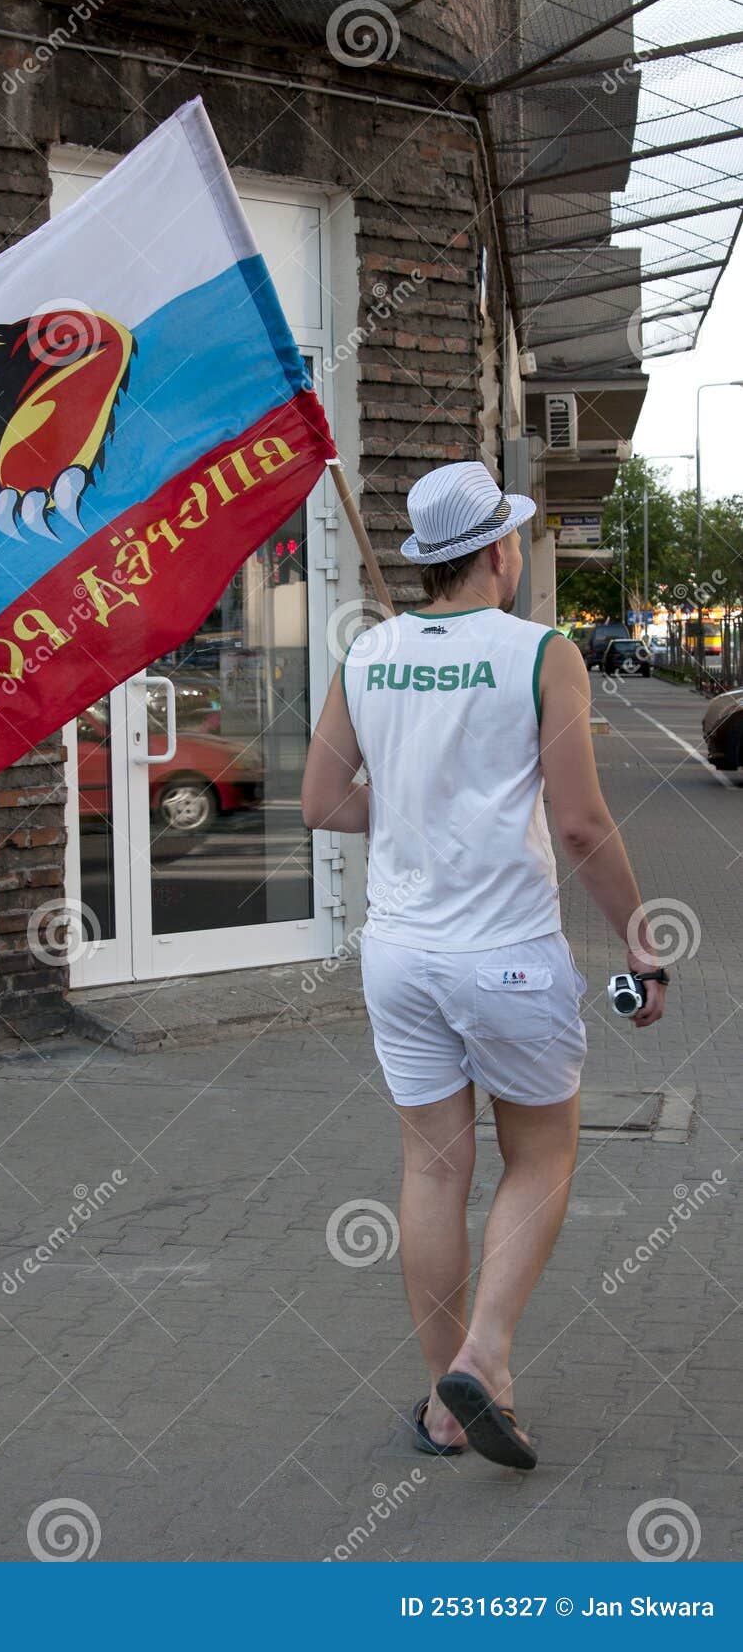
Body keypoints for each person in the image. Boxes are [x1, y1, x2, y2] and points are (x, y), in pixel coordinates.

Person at [301, 461, 668, 1471]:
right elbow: (584, 824)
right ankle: (488, 1353)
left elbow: (324, 803)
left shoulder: (366, 654)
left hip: (401, 957)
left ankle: (444, 1406)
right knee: (542, 1153)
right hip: (505, 956)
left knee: (431, 1167)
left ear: (428, 563)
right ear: (500, 553)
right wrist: (640, 934)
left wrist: (419, 810)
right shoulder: (541, 653)